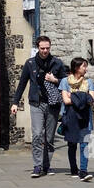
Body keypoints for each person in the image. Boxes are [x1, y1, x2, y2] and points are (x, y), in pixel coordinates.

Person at [11, 35, 69, 179]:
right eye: (42, 48)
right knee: (37, 134)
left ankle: (47, 165)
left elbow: (66, 82)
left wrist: (54, 79)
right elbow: (22, 83)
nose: (45, 51)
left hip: (52, 104)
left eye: (47, 48)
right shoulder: (30, 63)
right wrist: (15, 102)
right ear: (38, 48)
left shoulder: (57, 63)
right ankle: (37, 165)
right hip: (36, 103)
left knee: (49, 137)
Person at [59, 57, 94, 182]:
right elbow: (66, 101)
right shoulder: (65, 81)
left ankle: (83, 171)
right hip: (70, 117)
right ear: (76, 67)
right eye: (83, 66)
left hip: (85, 117)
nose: (86, 68)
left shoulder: (89, 82)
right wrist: (82, 96)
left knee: (85, 144)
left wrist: (73, 95)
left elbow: (91, 101)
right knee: (72, 144)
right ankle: (74, 169)